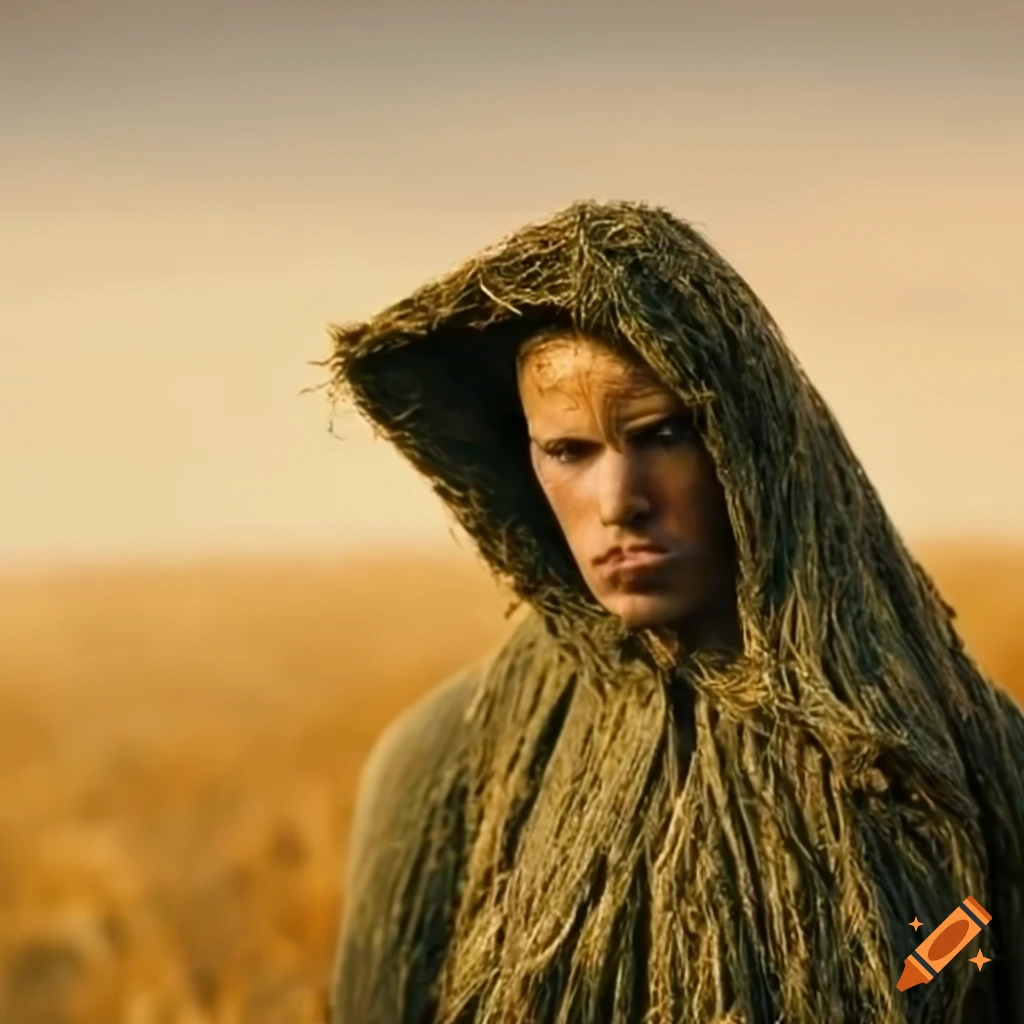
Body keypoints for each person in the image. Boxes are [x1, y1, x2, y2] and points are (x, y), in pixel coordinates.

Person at [324, 200, 1024, 1023]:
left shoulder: (961, 766)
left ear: (748, 442)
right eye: (570, 451)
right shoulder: (448, 765)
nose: (618, 502)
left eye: (662, 435)